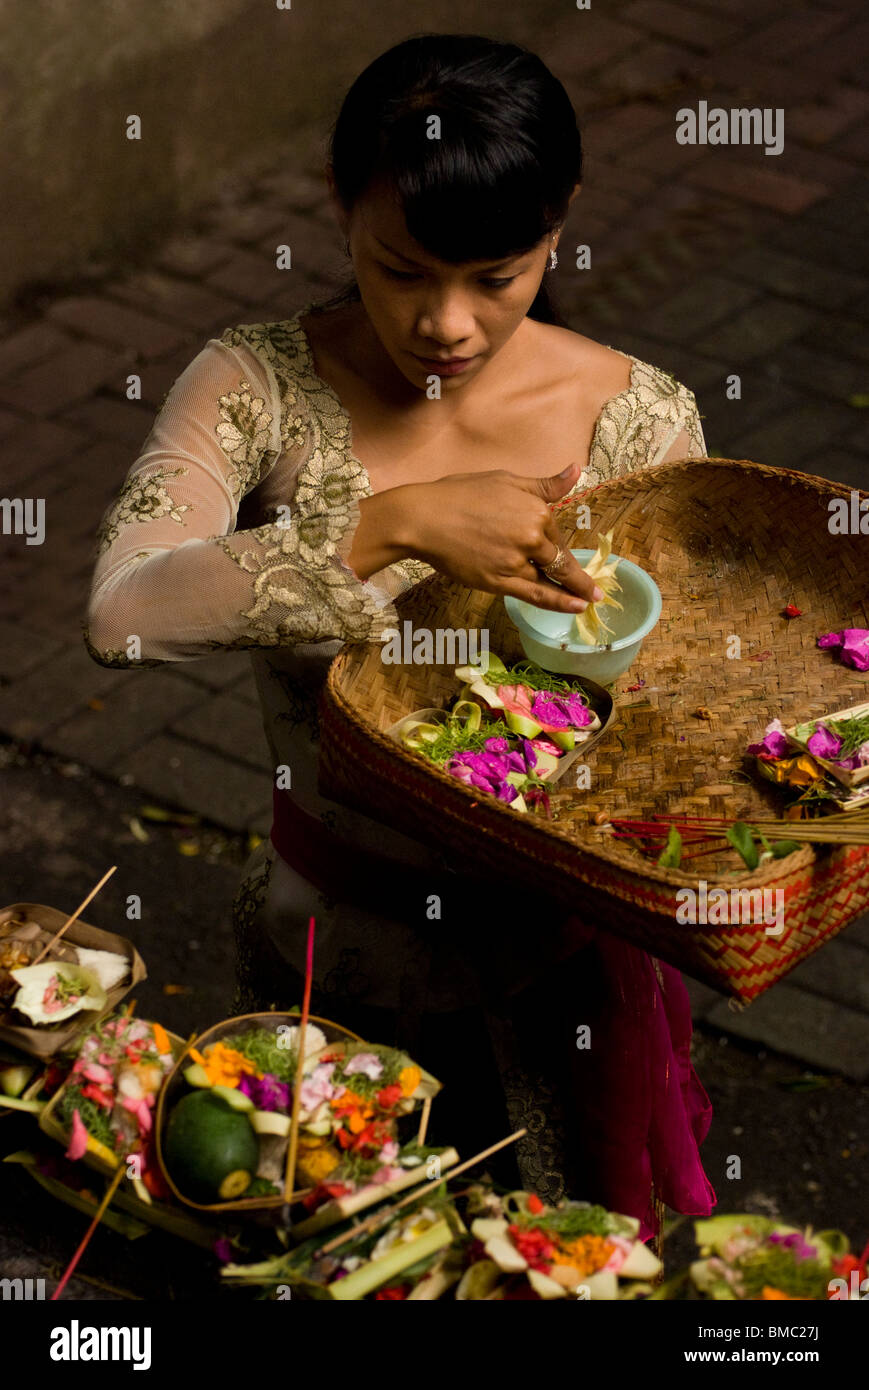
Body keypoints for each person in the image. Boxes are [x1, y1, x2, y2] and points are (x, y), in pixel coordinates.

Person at [85, 34, 715, 1242]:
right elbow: (121, 613)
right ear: (340, 212)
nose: (446, 325)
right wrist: (390, 526)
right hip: (328, 952)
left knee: (548, 1262)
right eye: (400, 269)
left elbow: (675, 710)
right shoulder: (254, 388)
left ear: (558, 223)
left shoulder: (635, 417)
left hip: (557, 972)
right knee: (321, 1255)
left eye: (499, 274)